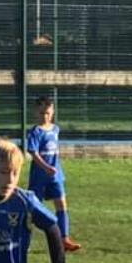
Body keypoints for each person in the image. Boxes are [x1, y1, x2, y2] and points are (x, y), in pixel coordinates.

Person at [25, 95, 81, 252]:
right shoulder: (35, 132)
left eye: (48, 113)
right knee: (33, 209)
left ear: (53, 111)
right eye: (42, 113)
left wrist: (54, 168)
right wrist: (45, 167)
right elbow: (33, 153)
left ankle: (64, 239)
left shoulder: (55, 129)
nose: (45, 116)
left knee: (61, 204)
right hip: (39, 176)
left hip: (56, 175)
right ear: (36, 112)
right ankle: (24, 240)